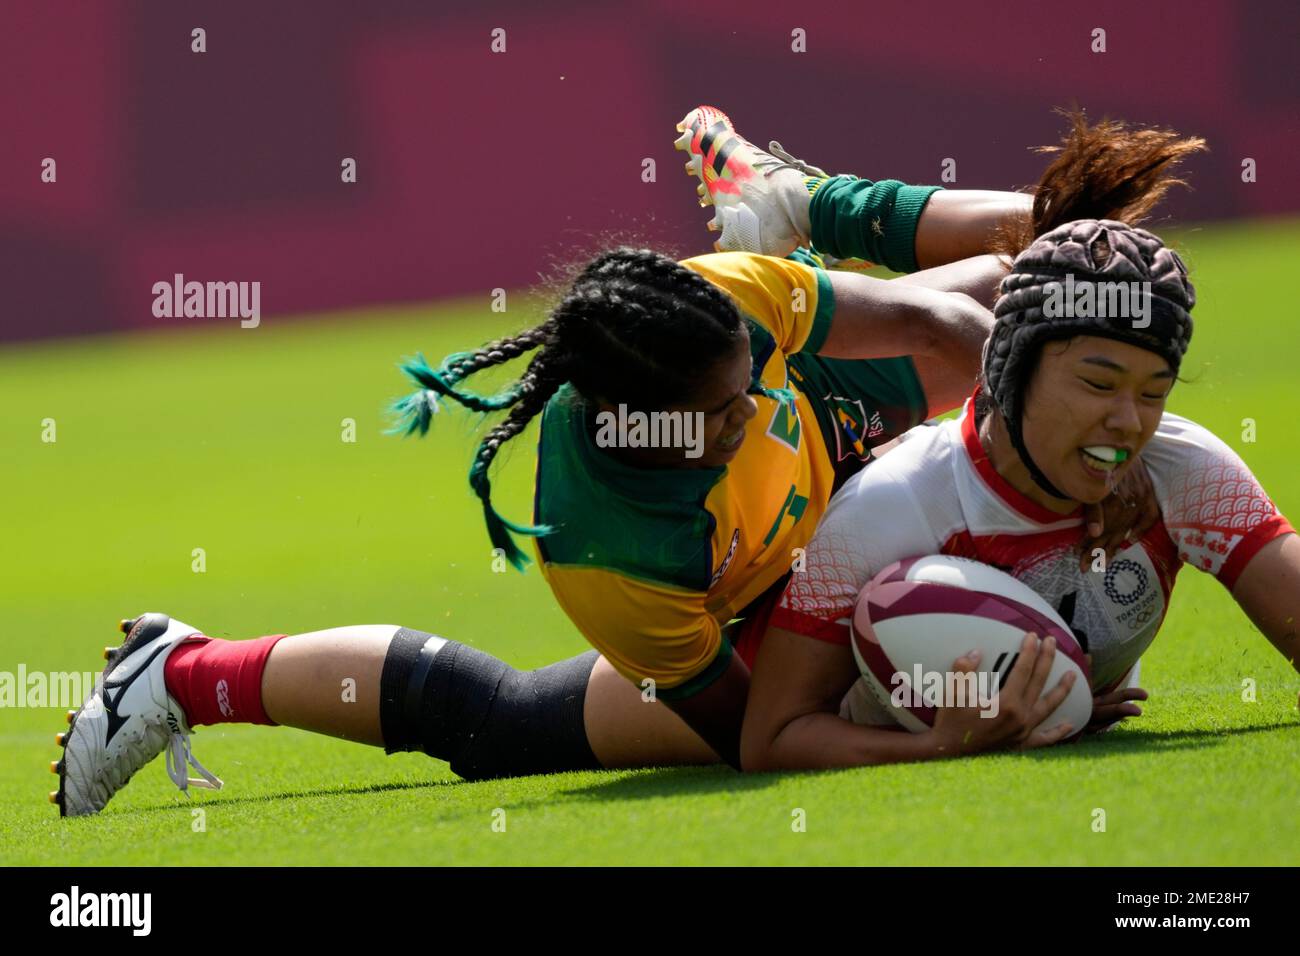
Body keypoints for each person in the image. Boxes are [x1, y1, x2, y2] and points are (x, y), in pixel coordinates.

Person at [50, 109, 1149, 816]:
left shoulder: (730, 316)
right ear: (635, 422)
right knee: (501, 726)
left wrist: (1079, 407)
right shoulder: (614, 553)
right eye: (719, 415)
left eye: (742, 381)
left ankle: (792, 200)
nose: (741, 412)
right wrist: (952, 722)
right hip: (754, 591)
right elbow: (758, 736)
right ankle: (183, 670)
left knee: (1031, 298)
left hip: (837, 417)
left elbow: (928, 321)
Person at [740, 124, 1298, 770]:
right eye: (1097, 383)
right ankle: (812, 214)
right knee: (603, 721)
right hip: (741, 644)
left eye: (1154, 392)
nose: (1127, 422)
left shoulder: (1182, 470)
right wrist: (937, 746)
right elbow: (770, 737)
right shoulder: (892, 508)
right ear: (1010, 371)